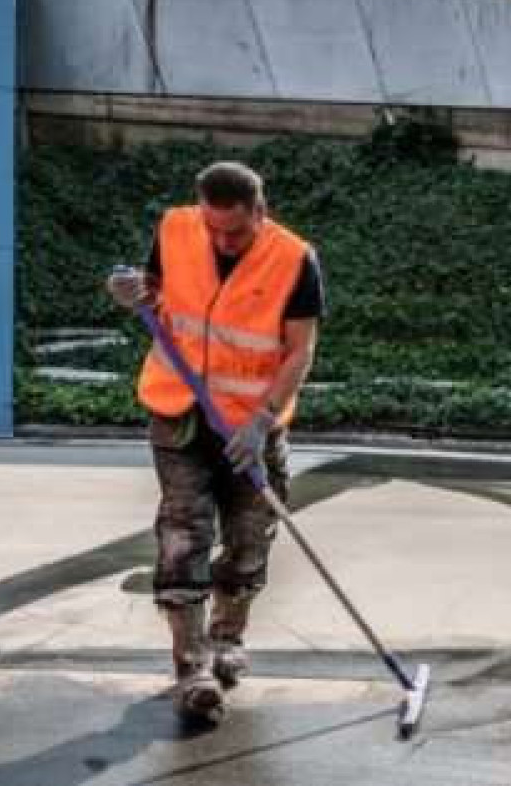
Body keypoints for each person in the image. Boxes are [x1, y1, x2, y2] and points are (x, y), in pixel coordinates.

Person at [107, 161, 324, 722]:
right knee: (184, 534)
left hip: (252, 424)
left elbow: (299, 351)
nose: (223, 240)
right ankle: (192, 667)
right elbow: (156, 295)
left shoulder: (294, 258)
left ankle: (228, 638)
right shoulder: (177, 229)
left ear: (261, 210)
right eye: (214, 229)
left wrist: (262, 421)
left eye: (236, 230)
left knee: (251, 536)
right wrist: (131, 291)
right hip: (180, 414)